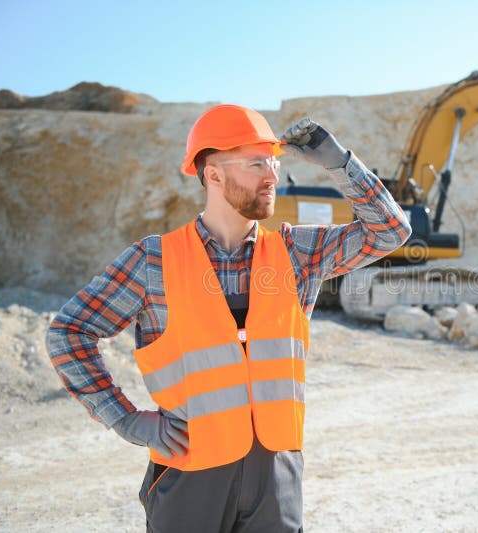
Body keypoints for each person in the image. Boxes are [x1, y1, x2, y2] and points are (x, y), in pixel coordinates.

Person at [46, 104, 411, 532]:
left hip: (276, 475)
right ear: (214, 175)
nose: (272, 176)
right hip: (190, 473)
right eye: (257, 163)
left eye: (273, 162)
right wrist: (125, 419)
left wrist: (339, 162)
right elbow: (69, 332)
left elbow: (389, 231)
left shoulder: (296, 254)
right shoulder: (153, 261)